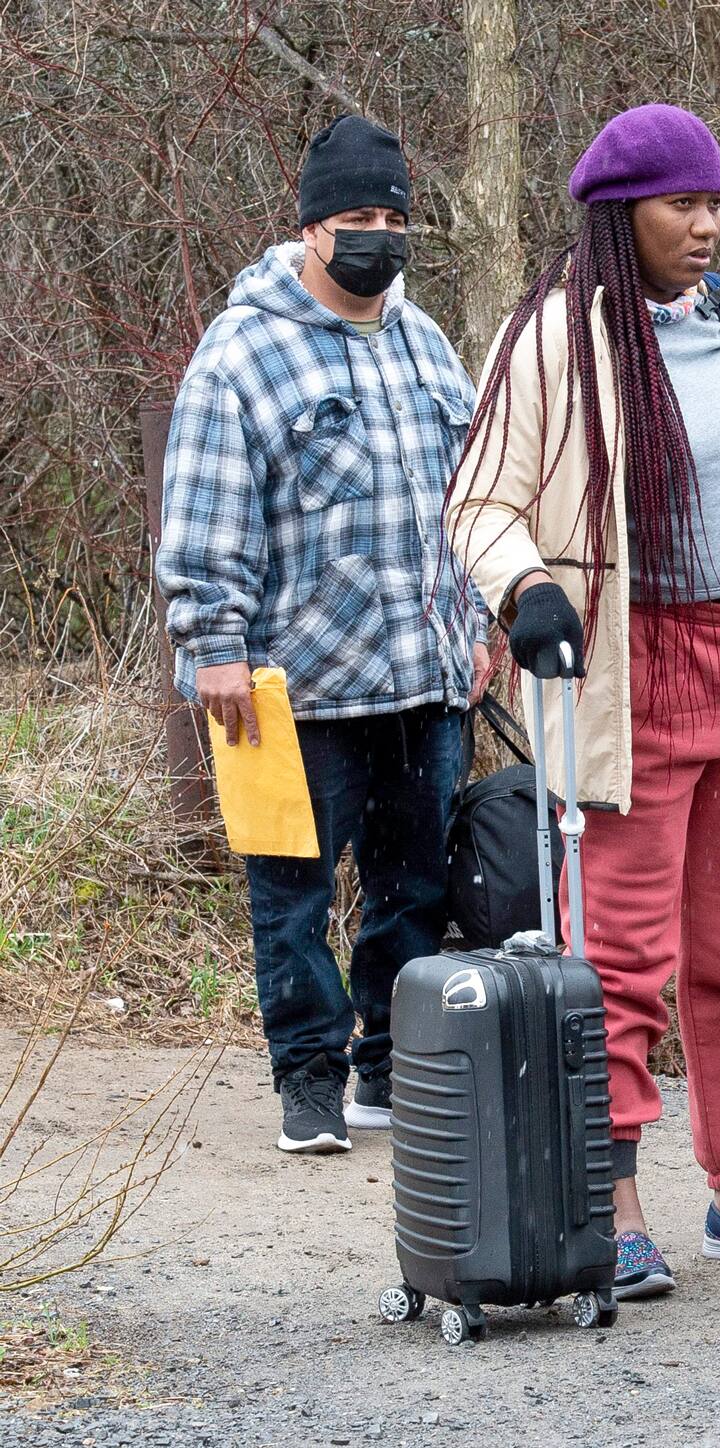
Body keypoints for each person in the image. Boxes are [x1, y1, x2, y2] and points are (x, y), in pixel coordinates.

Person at [447, 105, 720, 1299]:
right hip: (631, 666)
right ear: (621, 216)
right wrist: (525, 586)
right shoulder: (552, 340)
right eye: (683, 204)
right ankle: (611, 1203)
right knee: (620, 953)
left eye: (716, 202)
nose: (707, 225)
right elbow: (479, 503)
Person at [156, 116, 490, 1158]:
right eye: (357, 218)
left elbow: (473, 498)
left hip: (424, 674)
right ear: (308, 228)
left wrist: (480, 623)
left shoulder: (428, 342)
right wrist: (212, 643)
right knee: (291, 890)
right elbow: (207, 507)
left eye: (394, 218)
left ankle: (386, 1068)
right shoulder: (242, 351)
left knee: (415, 890)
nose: (378, 236)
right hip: (293, 686)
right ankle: (308, 1077)